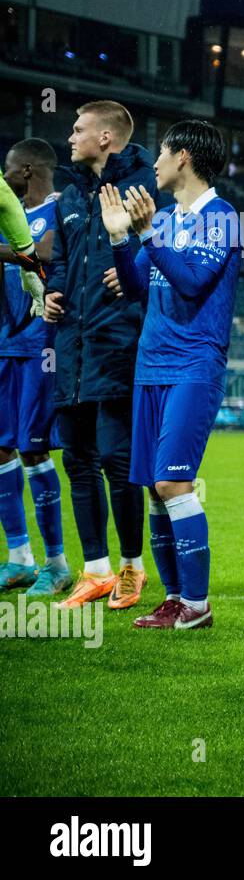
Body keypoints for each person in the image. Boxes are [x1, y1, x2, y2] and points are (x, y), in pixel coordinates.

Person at [101, 119, 240, 629]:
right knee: (153, 487)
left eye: (160, 153)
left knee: (172, 482)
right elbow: (138, 286)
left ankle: (198, 605)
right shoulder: (166, 219)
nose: (153, 163)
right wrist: (121, 239)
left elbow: (192, 280)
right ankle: (175, 598)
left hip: (193, 363)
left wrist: (144, 233)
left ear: (183, 156)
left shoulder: (223, 217)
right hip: (150, 363)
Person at [43, 100, 155, 612]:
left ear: (106, 137)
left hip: (119, 342)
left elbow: (162, 251)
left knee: (116, 459)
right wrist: (55, 290)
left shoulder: (145, 186)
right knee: (78, 459)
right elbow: (62, 258)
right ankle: (96, 571)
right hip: (72, 345)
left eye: (78, 129)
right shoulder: (70, 193)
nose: (70, 138)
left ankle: (133, 567)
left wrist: (132, 267)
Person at [0, 139, 67, 595]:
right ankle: (19, 557)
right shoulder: (6, 217)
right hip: (4, 346)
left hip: (39, 348)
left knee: (33, 450)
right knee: (1, 451)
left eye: (7, 170)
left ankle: (57, 563)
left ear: (26, 170)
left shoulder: (58, 210)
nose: (2, 179)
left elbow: (44, 256)